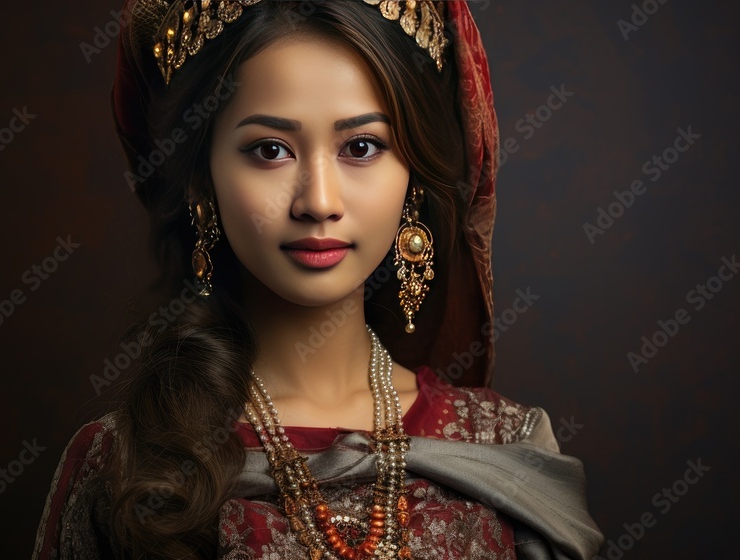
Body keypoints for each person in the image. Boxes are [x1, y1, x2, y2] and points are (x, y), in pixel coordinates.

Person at [32, 1, 603, 558]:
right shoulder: (124, 465)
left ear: (414, 177)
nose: (319, 201)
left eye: (361, 147)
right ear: (201, 180)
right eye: (270, 150)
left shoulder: (507, 447)